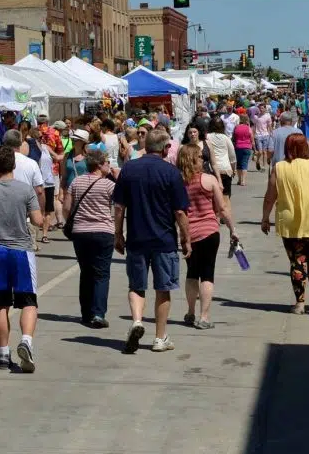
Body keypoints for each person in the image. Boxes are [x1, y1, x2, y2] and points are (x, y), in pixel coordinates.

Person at [113, 128, 190, 355]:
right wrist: (187, 239)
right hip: (163, 239)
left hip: (136, 238)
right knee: (163, 289)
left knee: (136, 286)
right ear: (166, 148)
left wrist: (118, 234)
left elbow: (119, 207)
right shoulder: (171, 173)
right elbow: (180, 212)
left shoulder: (129, 169)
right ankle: (160, 337)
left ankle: (137, 320)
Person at [0, 146, 44, 373]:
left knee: (0, 304)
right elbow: (37, 220)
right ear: (13, 166)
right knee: (28, 301)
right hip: (22, 250)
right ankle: (26, 340)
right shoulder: (26, 190)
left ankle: (3, 354)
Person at [263, 134, 309, 314]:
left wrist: (265, 218)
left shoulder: (279, 168)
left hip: (290, 223)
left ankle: (300, 303)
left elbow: (271, 196)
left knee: (297, 262)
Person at [175, 144, 237, 330]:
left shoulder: (177, 183)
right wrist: (232, 229)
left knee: (192, 273)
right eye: (200, 157)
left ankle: (191, 311)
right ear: (193, 159)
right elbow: (222, 209)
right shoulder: (209, 180)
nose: (203, 160)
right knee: (207, 274)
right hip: (209, 232)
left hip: (189, 235)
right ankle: (204, 316)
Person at [63, 150, 116, 329]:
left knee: (86, 272)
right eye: (107, 162)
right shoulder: (108, 185)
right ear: (99, 165)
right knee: (101, 273)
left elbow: (67, 207)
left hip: (80, 232)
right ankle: (98, 313)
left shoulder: (76, 182)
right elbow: (120, 205)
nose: (109, 165)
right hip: (103, 232)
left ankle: (86, 313)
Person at [36, 127, 61, 243]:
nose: (41, 139)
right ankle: (34, 235)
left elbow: (57, 157)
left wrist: (68, 152)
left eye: (42, 137)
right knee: (37, 210)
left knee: (48, 209)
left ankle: (44, 234)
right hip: (37, 183)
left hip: (49, 182)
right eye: (39, 137)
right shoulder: (29, 149)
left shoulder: (46, 148)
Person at [206, 117, 236, 202]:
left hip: (210, 169)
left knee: (212, 197)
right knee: (225, 196)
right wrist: (233, 169)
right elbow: (232, 156)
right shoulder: (225, 138)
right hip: (224, 168)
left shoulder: (207, 137)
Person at [233, 115, 254, 186]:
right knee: (244, 163)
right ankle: (243, 181)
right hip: (247, 147)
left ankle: (239, 180)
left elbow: (234, 137)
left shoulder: (236, 127)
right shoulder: (248, 128)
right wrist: (254, 148)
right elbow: (252, 139)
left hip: (238, 147)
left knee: (238, 164)